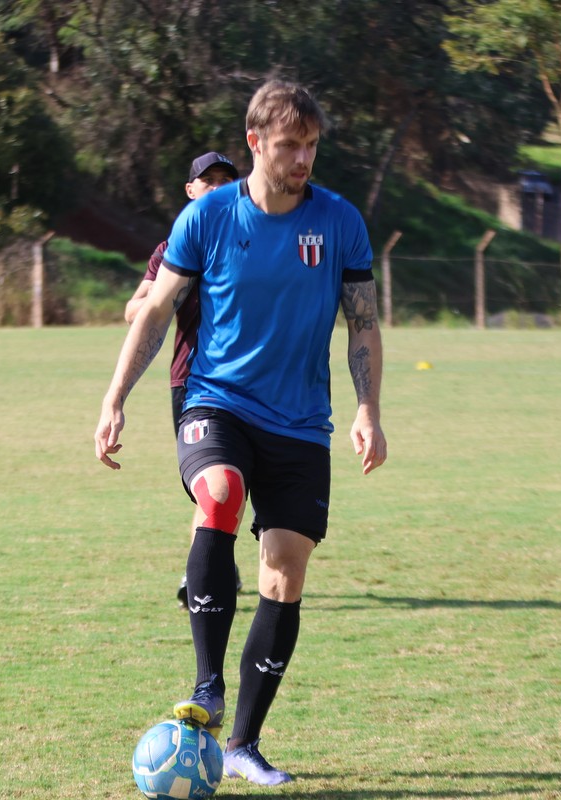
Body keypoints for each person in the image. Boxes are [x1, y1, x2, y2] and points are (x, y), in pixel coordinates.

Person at [94, 80, 386, 786]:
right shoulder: (209, 218)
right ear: (255, 142)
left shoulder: (341, 221)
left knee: (284, 570)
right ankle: (206, 687)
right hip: (217, 401)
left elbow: (365, 323)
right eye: (290, 145)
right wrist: (114, 400)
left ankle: (243, 744)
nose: (303, 159)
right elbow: (157, 310)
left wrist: (369, 409)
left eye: (312, 145)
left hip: (301, 422)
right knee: (219, 494)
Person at [124, 152, 243, 606]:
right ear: (190, 190)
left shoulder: (256, 239)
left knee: (234, 481)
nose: (215, 187)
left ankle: (211, 563)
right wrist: (167, 294)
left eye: (225, 180)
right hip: (190, 381)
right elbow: (134, 310)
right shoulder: (173, 247)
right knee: (214, 481)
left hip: (250, 380)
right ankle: (211, 564)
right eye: (206, 180)